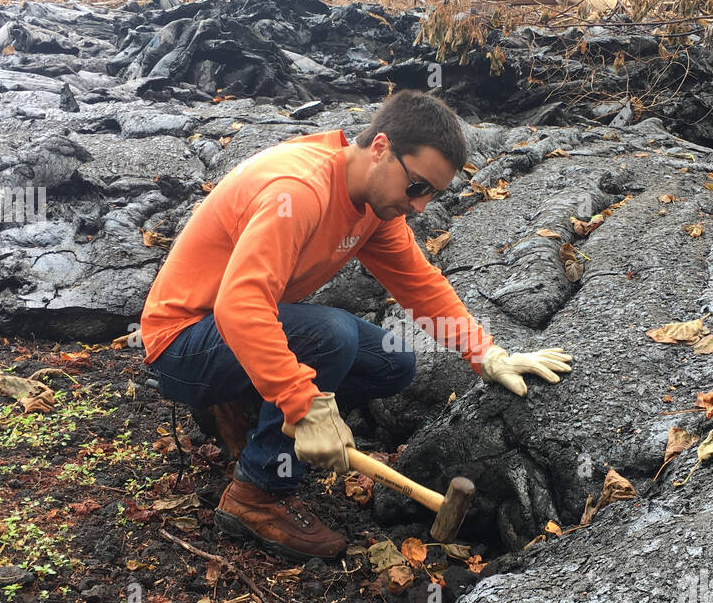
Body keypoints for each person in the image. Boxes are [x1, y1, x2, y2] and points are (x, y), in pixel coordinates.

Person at [139, 90, 572, 561]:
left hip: (230, 339)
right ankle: (256, 494)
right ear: (381, 147)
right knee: (331, 334)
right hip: (181, 344)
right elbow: (240, 305)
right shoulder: (298, 190)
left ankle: (241, 403)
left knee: (393, 362)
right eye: (417, 187)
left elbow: (420, 285)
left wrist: (487, 355)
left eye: (432, 194)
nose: (421, 206)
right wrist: (305, 406)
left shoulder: (372, 203)